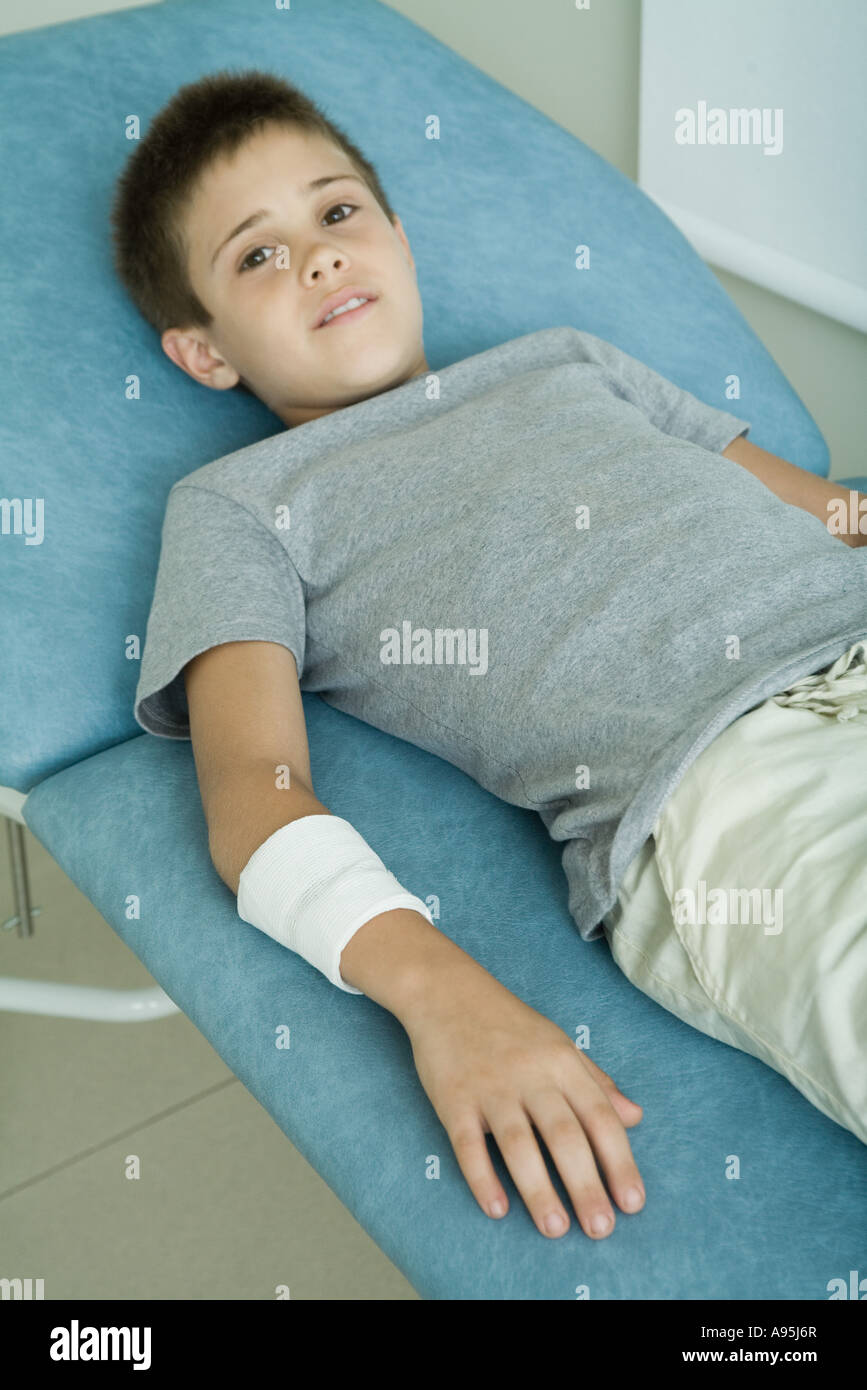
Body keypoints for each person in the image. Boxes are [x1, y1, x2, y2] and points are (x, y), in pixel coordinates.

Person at [112, 69, 867, 1244]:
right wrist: (440, 995)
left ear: (399, 236)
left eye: (338, 211)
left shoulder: (566, 356)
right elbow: (253, 801)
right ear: (205, 354)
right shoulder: (241, 504)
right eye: (255, 256)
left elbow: (832, 516)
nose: (315, 256)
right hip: (726, 784)